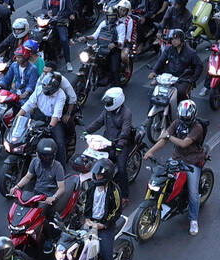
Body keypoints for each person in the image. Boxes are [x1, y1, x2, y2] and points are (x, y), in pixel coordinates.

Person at [144, 98, 206, 236]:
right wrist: (151, 151)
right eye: (182, 118)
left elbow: (184, 143)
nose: (184, 120)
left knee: (193, 194)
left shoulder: (197, 128)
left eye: (187, 118)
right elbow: (163, 139)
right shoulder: (177, 123)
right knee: (162, 177)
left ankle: (193, 220)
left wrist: (168, 136)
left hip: (192, 161)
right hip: (177, 158)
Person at [80, 158, 123, 260]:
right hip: (91, 222)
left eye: (100, 176)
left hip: (105, 225)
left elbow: (117, 211)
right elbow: (85, 203)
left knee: (106, 254)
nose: (97, 177)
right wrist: (86, 218)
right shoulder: (91, 186)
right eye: (96, 175)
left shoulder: (114, 190)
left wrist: (103, 225)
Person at [85, 87, 135, 203]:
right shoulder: (107, 111)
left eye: (109, 102)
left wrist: (120, 145)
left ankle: (124, 196)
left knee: (122, 170)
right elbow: (98, 122)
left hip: (120, 144)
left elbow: (125, 131)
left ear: (117, 101)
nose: (107, 104)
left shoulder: (126, 114)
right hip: (106, 141)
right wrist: (87, 131)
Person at [17, 72, 70, 165]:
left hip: (53, 122)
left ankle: (61, 169)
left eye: (49, 85)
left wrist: (50, 127)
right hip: (39, 117)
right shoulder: (39, 89)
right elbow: (29, 104)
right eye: (45, 85)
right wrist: (17, 117)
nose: (46, 87)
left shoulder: (61, 95)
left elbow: (56, 114)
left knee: (60, 144)